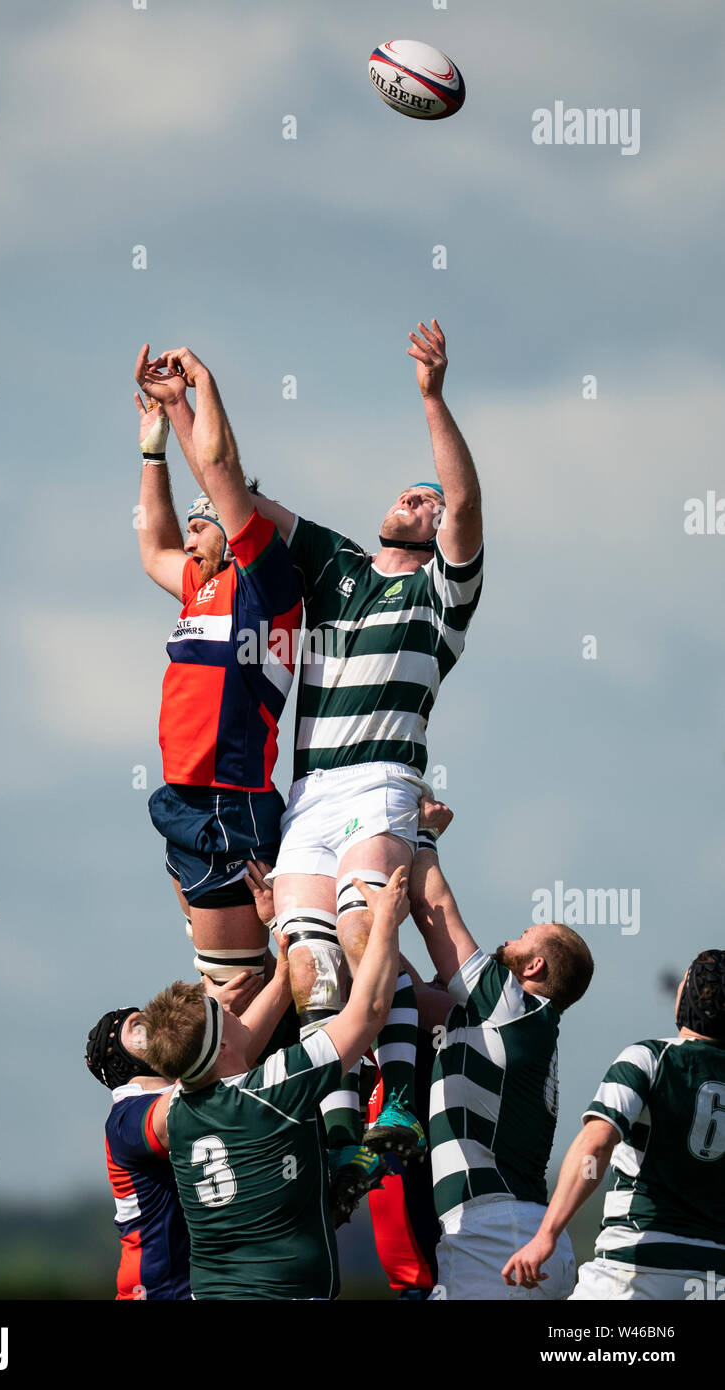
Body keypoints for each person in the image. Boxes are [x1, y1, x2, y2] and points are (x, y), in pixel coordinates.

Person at [253, 315, 484, 1187]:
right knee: (309, 962)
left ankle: (393, 1092)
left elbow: (464, 505)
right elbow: (243, 497)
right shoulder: (338, 566)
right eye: (410, 492)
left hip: (381, 778)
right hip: (307, 790)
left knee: (362, 925)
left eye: (426, 501)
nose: (417, 499)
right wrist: (179, 416)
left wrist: (432, 397)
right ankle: (344, 1123)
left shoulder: (441, 597)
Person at [139, 870, 410, 1300]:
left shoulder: (176, 1112)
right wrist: (387, 922)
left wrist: (283, 974)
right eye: (227, 1013)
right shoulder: (273, 1087)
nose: (238, 1011)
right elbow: (370, 1009)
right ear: (225, 1043)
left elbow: (234, 1050)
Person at [133, 343, 302, 986]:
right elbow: (153, 545)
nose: (191, 534)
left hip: (229, 803)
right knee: (225, 980)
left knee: (231, 988)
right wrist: (154, 447)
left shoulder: (268, 586)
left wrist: (198, 393)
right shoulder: (200, 585)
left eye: (205, 523)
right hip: (184, 796)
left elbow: (221, 467)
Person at [410, 805, 594, 1299]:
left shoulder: (515, 1008)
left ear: (533, 966)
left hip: (495, 1239)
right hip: (523, 1237)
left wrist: (422, 836)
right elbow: (393, 991)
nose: (510, 938)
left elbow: (437, 917)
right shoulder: (504, 1027)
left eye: (523, 937)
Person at [502, 949, 725, 1300]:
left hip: (634, 1270)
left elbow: (596, 1145)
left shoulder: (649, 1058)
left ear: (691, 993)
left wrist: (548, 1234)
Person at [85, 974, 261, 1300]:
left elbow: (236, 1051)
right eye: (138, 1024)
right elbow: (182, 1103)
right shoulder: (126, 1118)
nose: (156, 1024)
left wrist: (285, 978)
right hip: (157, 1290)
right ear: (123, 1057)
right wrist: (205, 1021)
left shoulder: (184, 1089)